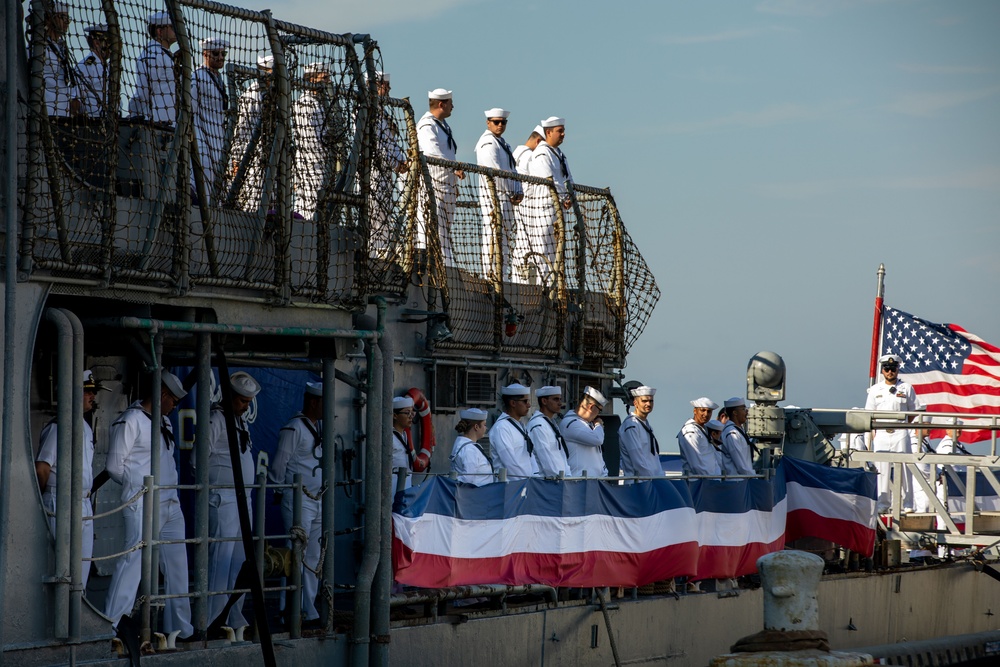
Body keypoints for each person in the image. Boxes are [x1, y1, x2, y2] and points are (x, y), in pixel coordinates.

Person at [104, 371, 193, 639]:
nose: (174, 405)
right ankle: (111, 626)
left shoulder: (163, 421)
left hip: (170, 500)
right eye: (173, 400)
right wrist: (137, 487)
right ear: (162, 394)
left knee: (177, 566)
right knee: (132, 563)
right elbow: (114, 467)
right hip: (144, 500)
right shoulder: (131, 419)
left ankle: (181, 629)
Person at [35, 369, 109, 591]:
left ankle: (76, 611)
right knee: (63, 571)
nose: (92, 396)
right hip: (61, 501)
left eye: (93, 392)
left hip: (83, 502)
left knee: (80, 573)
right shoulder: (58, 427)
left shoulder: (84, 427)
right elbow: (42, 469)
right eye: (88, 391)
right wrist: (44, 501)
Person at [206, 371, 260, 630]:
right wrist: (214, 484)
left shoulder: (239, 421)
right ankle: (212, 619)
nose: (246, 406)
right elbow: (198, 458)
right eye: (242, 401)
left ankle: (233, 615)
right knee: (221, 559)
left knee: (239, 560)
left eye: (248, 402)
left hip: (243, 497)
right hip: (224, 496)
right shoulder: (216, 419)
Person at [270, 381, 325, 627]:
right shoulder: (294, 428)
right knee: (296, 553)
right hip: (299, 499)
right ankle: (291, 608)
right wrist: (278, 489)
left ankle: (307, 607)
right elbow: (280, 463)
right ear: (313, 402)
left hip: (318, 499)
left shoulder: (320, 426)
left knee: (313, 556)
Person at [865, 353, 920, 513]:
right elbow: (869, 413)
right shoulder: (875, 390)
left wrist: (904, 426)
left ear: (898, 369)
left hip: (900, 432)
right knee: (882, 469)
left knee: (905, 468)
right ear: (882, 370)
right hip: (882, 433)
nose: (890, 372)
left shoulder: (906, 388)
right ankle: (883, 504)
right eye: (887, 369)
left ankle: (908, 504)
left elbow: (913, 411)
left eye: (893, 368)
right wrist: (874, 434)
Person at [416, 88, 464, 265]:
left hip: (446, 184)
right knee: (430, 226)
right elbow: (432, 153)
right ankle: (428, 265)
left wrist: (453, 179)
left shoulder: (443, 125)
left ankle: (444, 265)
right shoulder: (427, 125)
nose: (453, 106)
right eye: (450, 103)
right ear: (442, 104)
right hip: (433, 184)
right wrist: (454, 168)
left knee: (444, 230)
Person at [523, 116, 573, 284]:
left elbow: (568, 179)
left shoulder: (560, 155)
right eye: (560, 131)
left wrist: (569, 196)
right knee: (542, 249)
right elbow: (549, 180)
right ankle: (542, 286)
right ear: (549, 132)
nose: (563, 134)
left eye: (563, 131)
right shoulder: (541, 154)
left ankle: (554, 286)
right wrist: (564, 196)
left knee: (556, 251)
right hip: (544, 208)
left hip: (558, 208)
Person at [475, 108, 523, 279]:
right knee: (493, 236)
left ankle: (501, 276)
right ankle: (491, 277)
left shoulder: (504, 144)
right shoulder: (487, 143)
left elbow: (513, 171)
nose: (500, 125)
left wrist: (518, 191)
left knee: (504, 239)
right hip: (494, 197)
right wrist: (511, 190)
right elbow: (495, 172)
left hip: (507, 198)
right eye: (496, 122)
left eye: (503, 122)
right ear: (488, 123)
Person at [293, 62, 342, 219]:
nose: (328, 82)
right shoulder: (306, 103)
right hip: (312, 168)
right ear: (313, 79)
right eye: (325, 78)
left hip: (322, 167)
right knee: (310, 213)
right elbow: (309, 141)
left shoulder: (320, 102)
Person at [369, 71, 408, 252]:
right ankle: (373, 254)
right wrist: (395, 164)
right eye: (386, 86)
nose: (389, 90)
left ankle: (382, 252)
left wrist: (402, 161)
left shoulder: (382, 113)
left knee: (384, 213)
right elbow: (375, 144)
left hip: (385, 171)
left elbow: (391, 143)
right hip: (371, 170)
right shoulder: (366, 109)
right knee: (374, 214)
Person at [231, 54, 274, 211]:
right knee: (254, 203)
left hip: (271, 156)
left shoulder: (275, 93)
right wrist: (236, 160)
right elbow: (241, 130)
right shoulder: (252, 94)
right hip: (253, 158)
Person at [191, 37, 230, 204]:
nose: (220, 57)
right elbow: (191, 110)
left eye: (223, 54)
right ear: (205, 54)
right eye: (216, 53)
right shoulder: (197, 77)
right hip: (203, 140)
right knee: (204, 185)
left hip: (218, 140)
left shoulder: (219, 79)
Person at [128, 11, 177, 125]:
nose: (176, 30)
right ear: (160, 31)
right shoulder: (153, 55)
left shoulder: (164, 53)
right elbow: (144, 92)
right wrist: (134, 114)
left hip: (170, 122)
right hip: (157, 123)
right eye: (171, 27)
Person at [39, 1, 81, 117]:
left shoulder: (61, 47)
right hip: (46, 113)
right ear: (50, 18)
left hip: (63, 113)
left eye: (68, 18)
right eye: (62, 17)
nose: (67, 22)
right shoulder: (40, 48)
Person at [488, 384, 539, 479]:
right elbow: (510, 463)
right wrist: (526, 481)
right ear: (513, 403)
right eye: (525, 401)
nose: (529, 405)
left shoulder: (519, 425)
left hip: (525, 483)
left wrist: (535, 477)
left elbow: (529, 455)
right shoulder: (502, 427)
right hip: (512, 484)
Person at [618, 386, 662, 482]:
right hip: (639, 482)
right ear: (635, 403)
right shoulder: (631, 426)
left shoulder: (646, 425)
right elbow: (637, 461)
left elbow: (653, 458)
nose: (648, 404)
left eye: (651, 401)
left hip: (652, 480)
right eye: (644, 401)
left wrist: (660, 477)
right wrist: (652, 480)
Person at [562, 386, 608, 478]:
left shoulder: (587, 424)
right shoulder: (571, 423)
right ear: (591, 407)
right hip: (579, 480)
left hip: (593, 480)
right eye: (599, 410)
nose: (598, 414)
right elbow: (597, 439)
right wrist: (599, 424)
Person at [527, 386, 569, 477]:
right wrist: (558, 478)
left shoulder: (551, 423)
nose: (560, 403)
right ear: (544, 401)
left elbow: (561, 454)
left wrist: (568, 475)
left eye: (560, 399)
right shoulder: (538, 425)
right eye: (556, 399)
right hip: (549, 480)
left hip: (560, 478)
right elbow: (546, 458)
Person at [677, 397, 722, 476]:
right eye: (702, 410)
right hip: (698, 479)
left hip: (710, 478)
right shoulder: (690, 431)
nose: (706, 414)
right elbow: (695, 464)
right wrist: (709, 478)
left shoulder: (703, 430)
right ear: (695, 411)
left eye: (709, 411)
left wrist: (716, 477)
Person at [449, 408, 493, 486]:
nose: (486, 428)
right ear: (476, 427)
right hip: (477, 492)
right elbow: (468, 479)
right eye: (484, 425)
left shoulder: (466, 445)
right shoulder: (470, 450)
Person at [76, 24, 110, 118]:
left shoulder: (108, 66)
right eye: (108, 42)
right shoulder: (86, 66)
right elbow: (76, 98)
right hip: (93, 120)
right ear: (97, 43)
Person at [719, 397, 755, 476]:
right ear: (735, 412)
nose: (746, 412)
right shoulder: (732, 433)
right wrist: (753, 476)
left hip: (743, 478)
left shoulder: (739, 430)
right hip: (736, 479)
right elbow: (741, 465)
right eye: (743, 409)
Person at [390, 395, 415, 494]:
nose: (411, 416)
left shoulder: (403, 436)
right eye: (407, 413)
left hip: (405, 488)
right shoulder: (390, 438)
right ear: (395, 416)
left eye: (412, 413)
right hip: (392, 489)